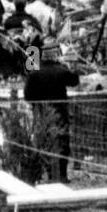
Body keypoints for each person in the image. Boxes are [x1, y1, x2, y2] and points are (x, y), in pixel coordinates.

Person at [23, 38, 80, 183]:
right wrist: (69, 66)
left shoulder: (34, 72)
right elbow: (75, 80)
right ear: (56, 55)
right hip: (60, 112)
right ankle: (62, 174)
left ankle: (49, 173)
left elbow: (27, 95)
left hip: (41, 113)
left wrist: (37, 105)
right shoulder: (61, 71)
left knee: (44, 141)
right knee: (62, 142)